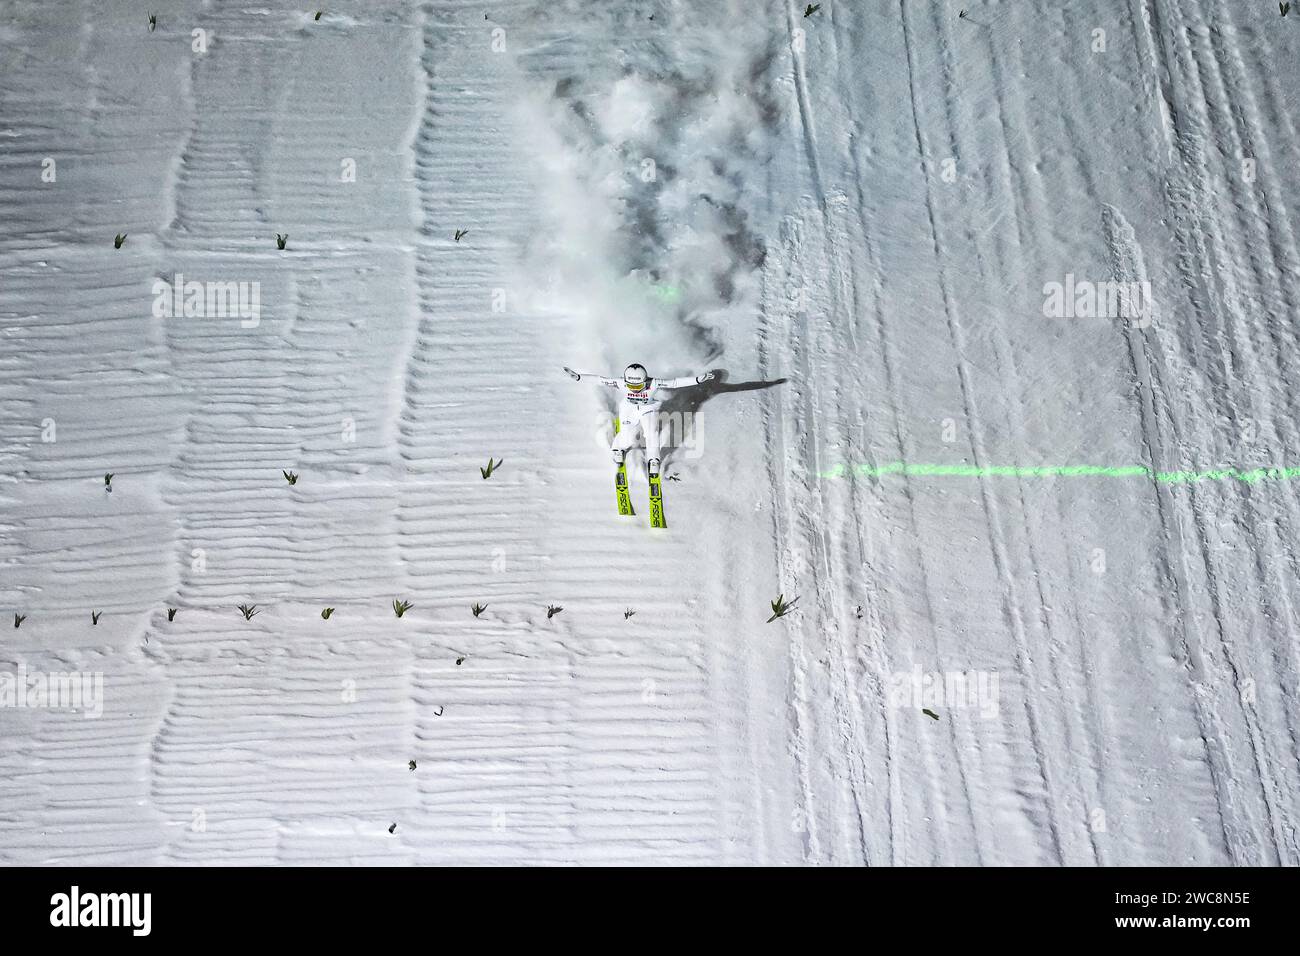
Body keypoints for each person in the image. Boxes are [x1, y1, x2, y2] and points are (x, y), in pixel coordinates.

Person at [564, 363, 714, 474]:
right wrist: (578, 377)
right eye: (632, 386)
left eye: (638, 386)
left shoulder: (653, 383)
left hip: (648, 409)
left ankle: (653, 459)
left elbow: (674, 382)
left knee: (651, 433)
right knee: (626, 433)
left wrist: (698, 380)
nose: (635, 389)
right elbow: (601, 380)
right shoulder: (621, 382)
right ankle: (619, 449)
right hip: (629, 408)